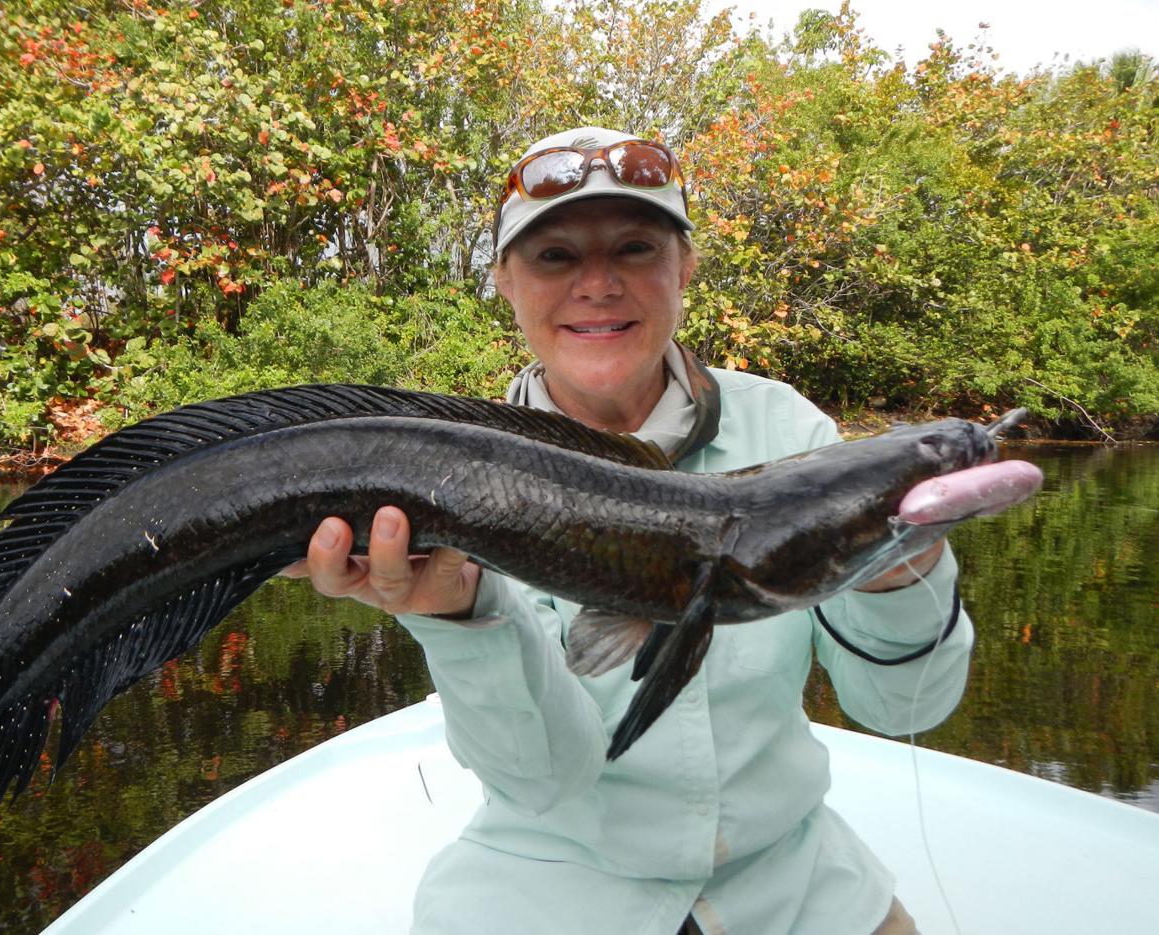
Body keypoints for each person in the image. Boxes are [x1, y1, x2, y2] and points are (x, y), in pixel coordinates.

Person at [287, 127, 971, 934]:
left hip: (795, 883)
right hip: (550, 889)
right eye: (555, 257)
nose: (599, 285)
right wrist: (455, 617)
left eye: (636, 247)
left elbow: (903, 707)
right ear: (505, 281)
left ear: (684, 268)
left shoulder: (792, 429)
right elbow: (543, 780)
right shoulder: (458, 473)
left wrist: (896, 566)